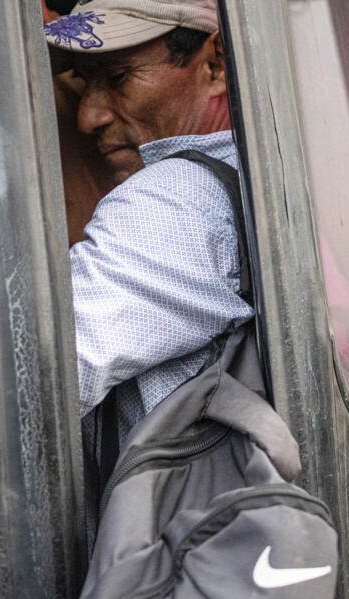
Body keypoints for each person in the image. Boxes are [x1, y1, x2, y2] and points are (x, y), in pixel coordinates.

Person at [45, 0, 253, 462]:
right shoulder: (254, 175)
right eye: (82, 81)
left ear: (215, 65)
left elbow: (35, 379)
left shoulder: (173, 201)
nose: (87, 117)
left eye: (119, 78)